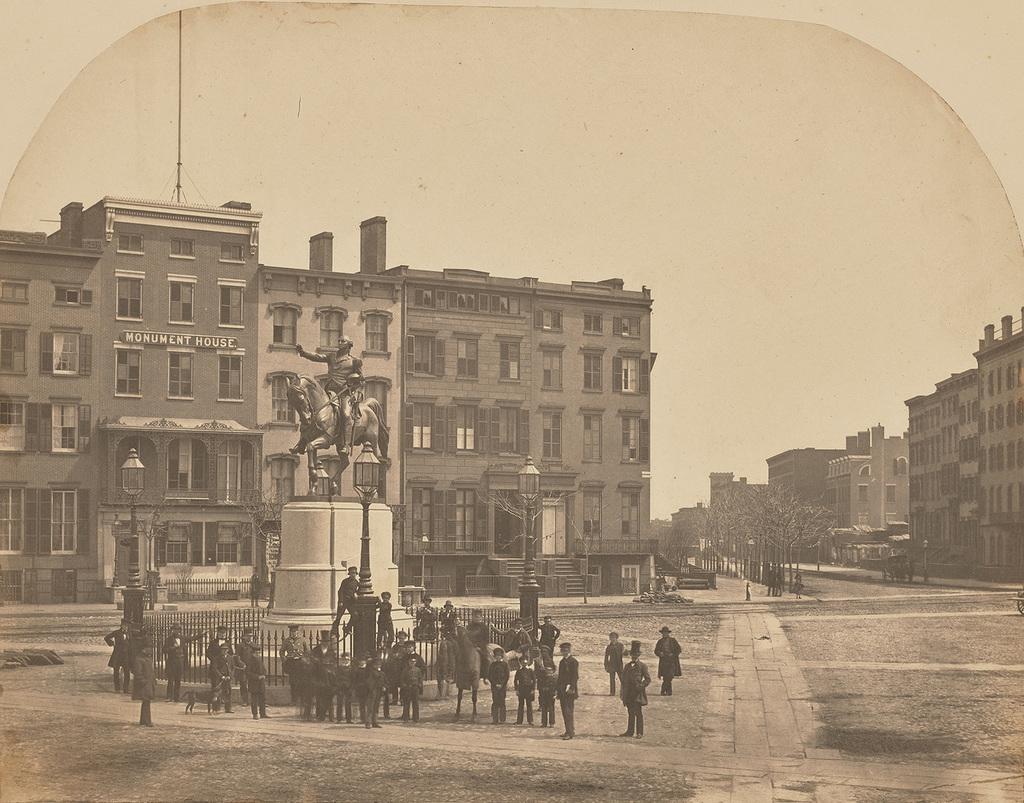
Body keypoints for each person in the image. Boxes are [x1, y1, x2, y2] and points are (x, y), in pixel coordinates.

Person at [294, 336, 365, 443]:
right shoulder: (332, 357)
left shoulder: (355, 361)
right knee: (311, 410)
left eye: (343, 341)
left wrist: (352, 385)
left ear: (349, 344)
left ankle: (345, 443)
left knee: (346, 414)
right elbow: (317, 357)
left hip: (344, 393)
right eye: (339, 341)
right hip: (330, 391)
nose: (340, 342)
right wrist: (303, 352)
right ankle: (302, 442)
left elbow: (361, 380)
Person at [621, 640, 651, 739]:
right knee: (630, 712)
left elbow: (648, 679)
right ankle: (630, 731)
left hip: (637, 693)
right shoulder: (627, 666)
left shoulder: (642, 666)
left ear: (638, 655)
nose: (634, 656)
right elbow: (623, 680)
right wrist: (623, 692)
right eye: (632, 655)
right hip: (628, 692)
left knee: (638, 713)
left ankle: (639, 732)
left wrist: (640, 686)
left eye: (636, 655)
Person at [280, 624, 309, 704]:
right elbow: (281, 651)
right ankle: (294, 700)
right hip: (291, 663)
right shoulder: (287, 641)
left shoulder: (302, 640)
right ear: (290, 632)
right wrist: (284, 660)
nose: (294, 633)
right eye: (292, 632)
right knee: (293, 682)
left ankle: (302, 700)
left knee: (302, 681)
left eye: (295, 631)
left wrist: (305, 660)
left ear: (298, 632)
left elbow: (307, 651)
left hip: (300, 663)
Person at [162, 624, 191, 702]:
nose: (176, 631)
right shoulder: (168, 639)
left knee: (178, 680)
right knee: (171, 680)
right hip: (172, 662)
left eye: (178, 629)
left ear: (179, 630)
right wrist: (172, 648)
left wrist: (201, 635)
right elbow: (164, 650)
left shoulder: (182, 638)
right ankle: (169, 696)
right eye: (175, 629)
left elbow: (191, 638)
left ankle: (176, 697)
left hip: (180, 662)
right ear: (172, 630)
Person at [311, 630, 335, 721]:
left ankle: (331, 716)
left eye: (327, 641)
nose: (326, 643)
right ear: (321, 642)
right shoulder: (316, 650)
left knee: (329, 697)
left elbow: (334, 663)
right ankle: (320, 715)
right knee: (319, 697)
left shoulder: (331, 651)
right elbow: (312, 662)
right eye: (324, 641)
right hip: (319, 676)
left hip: (329, 678)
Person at [104, 619, 134, 694]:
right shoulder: (116, 632)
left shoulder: (129, 634)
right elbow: (106, 637)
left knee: (127, 672)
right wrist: (112, 643)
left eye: (127, 626)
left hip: (126, 656)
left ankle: (126, 688)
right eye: (125, 625)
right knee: (116, 672)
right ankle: (117, 688)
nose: (126, 627)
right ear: (121, 626)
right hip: (117, 655)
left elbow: (131, 644)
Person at [556, 642, 579, 740]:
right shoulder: (562, 662)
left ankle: (570, 733)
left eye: (566, 650)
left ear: (569, 650)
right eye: (562, 650)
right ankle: (568, 730)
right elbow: (560, 677)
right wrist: (558, 690)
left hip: (570, 690)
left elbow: (575, 677)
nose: (564, 652)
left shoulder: (573, 661)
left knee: (568, 711)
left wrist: (572, 688)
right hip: (562, 690)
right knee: (564, 711)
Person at [133, 642, 156, 727]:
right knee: (146, 701)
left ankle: (143, 720)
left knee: (146, 702)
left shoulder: (148, 658)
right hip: (144, 685)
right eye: (149, 648)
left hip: (149, 683)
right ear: (143, 649)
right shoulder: (139, 659)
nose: (151, 650)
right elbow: (138, 673)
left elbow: (151, 671)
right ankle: (147, 721)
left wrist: (153, 680)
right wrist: (143, 681)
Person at [654, 626, 682, 696]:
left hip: (672, 662)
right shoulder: (660, 641)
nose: (664, 634)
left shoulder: (673, 641)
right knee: (665, 677)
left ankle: (663, 690)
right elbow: (656, 651)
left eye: (666, 633)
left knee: (670, 676)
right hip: (663, 662)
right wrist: (660, 653)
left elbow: (678, 650)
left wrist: (673, 654)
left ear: (668, 633)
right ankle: (668, 692)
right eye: (663, 633)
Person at [333, 567, 360, 636]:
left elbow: (358, 591)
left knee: (355, 615)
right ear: (349, 574)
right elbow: (340, 591)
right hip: (343, 601)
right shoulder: (345, 581)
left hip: (351, 602)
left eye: (354, 573)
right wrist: (341, 601)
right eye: (352, 573)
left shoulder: (356, 582)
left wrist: (356, 595)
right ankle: (335, 632)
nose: (353, 575)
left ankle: (347, 628)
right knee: (339, 617)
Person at [245, 645, 269, 720]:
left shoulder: (259, 659)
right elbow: (248, 672)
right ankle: (255, 714)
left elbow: (264, 669)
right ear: (253, 653)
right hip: (254, 683)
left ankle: (263, 713)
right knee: (254, 700)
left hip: (261, 682)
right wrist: (257, 677)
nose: (258, 654)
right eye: (256, 653)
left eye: (259, 653)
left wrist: (264, 674)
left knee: (262, 699)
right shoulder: (249, 661)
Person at [236, 628, 258, 705]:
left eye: (251, 636)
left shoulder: (253, 645)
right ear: (244, 636)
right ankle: (245, 700)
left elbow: (257, 655)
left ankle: (254, 700)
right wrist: (241, 664)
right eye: (247, 636)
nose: (249, 637)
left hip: (252, 668)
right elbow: (237, 657)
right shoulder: (240, 645)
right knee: (243, 684)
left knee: (253, 684)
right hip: (244, 668)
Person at [400, 652, 424, 723]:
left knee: (415, 703)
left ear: (415, 662)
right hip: (408, 688)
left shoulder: (418, 670)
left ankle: (416, 718)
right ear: (408, 662)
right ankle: (406, 717)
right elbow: (402, 679)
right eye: (411, 662)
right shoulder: (405, 670)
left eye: (413, 662)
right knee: (406, 703)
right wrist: (404, 685)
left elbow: (420, 679)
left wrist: (420, 686)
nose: (412, 663)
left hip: (415, 688)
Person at [488, 647, 509, 724]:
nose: (498, 657)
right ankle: (495, 719)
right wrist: (495, 684)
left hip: (502, 687)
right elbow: (490, 676)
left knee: (502, 702)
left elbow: (507, 676)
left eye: (499, 656)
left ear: (502, 656)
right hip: (494, 686)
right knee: (495, 702)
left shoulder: (505, 665)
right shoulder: (492, 665)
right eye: (496, 656)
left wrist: (502, 684)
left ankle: (502, 719)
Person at [514, 651, 536, 725]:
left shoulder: (530, 671)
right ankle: (519, 721)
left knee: (529, 705)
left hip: (528, 689)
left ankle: (530, 720)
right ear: (520, 663)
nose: (524, 663)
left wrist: (533, 689)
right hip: (521, 690)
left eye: (525, 662)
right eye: (522, 662)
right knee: (521, 705)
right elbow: (515, 681)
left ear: (528, 662)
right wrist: (517, 690)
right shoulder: (519, 671)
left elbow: (534, 681)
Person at [362, 657, 385, 728]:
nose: (378, 666)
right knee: (370, 707)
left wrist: (384, 686)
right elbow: (369, 682)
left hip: (379, 691)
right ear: (373, 665)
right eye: (376, 664)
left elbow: (384, 681)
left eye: (379, 664)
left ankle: (375, 722)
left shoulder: (382, 673)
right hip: (372, 691)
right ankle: (368, 722)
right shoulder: (370, 672)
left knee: (376, 707)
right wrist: (371, 689)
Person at [536, 660, 558, 729]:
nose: (548, 671)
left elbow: (556, 686)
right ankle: (544, 723)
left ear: (552, 670)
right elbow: (539, 685)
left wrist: (555, 694)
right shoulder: (542, 677)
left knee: (551, 708)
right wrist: (541, 691)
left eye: (550, 670)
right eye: (547, 669)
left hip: (551, 694)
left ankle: (552, 723)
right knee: (544, 708)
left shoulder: (554, 677)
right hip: (543, 694)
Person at [436, 632, 457, 699]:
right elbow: (440, 654)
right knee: (442, 678)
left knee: (447, 678)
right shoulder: (444, 643)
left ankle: (446, 694)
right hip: (443, 663)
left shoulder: (449, 643)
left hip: (447, 663)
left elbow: (453, 655)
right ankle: (442, 694)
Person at [334, 653, 354, 724]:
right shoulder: (338, 669)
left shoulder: (351, 669)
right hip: (340, 687)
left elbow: (353, 679)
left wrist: (351, 687)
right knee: (339, 703)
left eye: (347, 659)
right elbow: (336, 678)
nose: (345, 661)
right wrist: (338, 685)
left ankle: (348, 719)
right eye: (344, 660)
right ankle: (339, 718)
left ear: (349, 660)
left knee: (348, 703)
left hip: (348, 687)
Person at [604, 632, 624, 696]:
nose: (612, 639)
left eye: (614, 637)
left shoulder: (620, 645)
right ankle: (612, 692)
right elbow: (606, 657)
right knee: (612, 679)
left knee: (622, 679)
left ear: (616, 638)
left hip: (619, 664)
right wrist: (606, 666)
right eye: (611, 637)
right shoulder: (608, 647)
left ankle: (624, 692)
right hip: (611, 665)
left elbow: (623, 654)